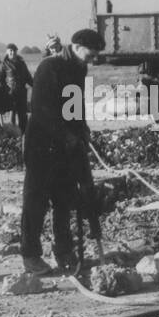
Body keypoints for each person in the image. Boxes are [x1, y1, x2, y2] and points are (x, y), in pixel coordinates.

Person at [20, 28, 105, 275]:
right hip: (41, 145)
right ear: (77, 47)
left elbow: (73, 107)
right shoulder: (50, 67)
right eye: (91, 53)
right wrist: (66, 135)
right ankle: (31, 255)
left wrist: (83, 128)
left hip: (66, 146)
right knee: (35, 202)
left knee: (65, 200)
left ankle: (64, 251)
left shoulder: (80, 68)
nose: (93, 58)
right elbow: (41, 109)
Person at [0, 43, 33, 129]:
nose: (13, 53)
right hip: (10, 93)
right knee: (11, 115)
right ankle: (12, 134)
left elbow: (28, 77)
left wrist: (36, 85)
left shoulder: (22, 63)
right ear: (7, 52)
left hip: (22, 92)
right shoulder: (3, 64)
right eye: (10, 51)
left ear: (17, 51)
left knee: (23, 115)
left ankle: (24, 134)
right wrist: (5, 91)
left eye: (14, 51)